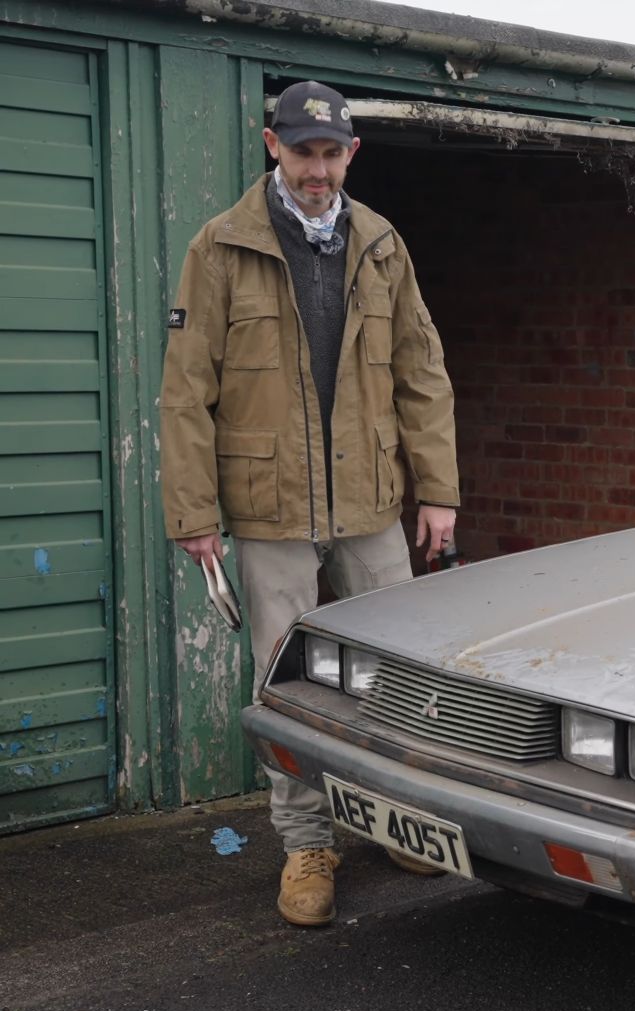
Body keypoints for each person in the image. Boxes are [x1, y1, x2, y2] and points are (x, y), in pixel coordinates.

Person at [159, 81, 460, 928]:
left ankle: (399, 819)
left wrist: (438, 491)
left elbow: (422, 373)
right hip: (270, 507)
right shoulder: (221, 246)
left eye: (331, 154)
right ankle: (306, 845)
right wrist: (193, 512)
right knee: (286, 686)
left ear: (351, 154)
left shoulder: (382, 244)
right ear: (273, 147)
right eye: (302, 152)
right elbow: (186, 390)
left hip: (370, 501)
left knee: (399, 674)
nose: (317, 170)